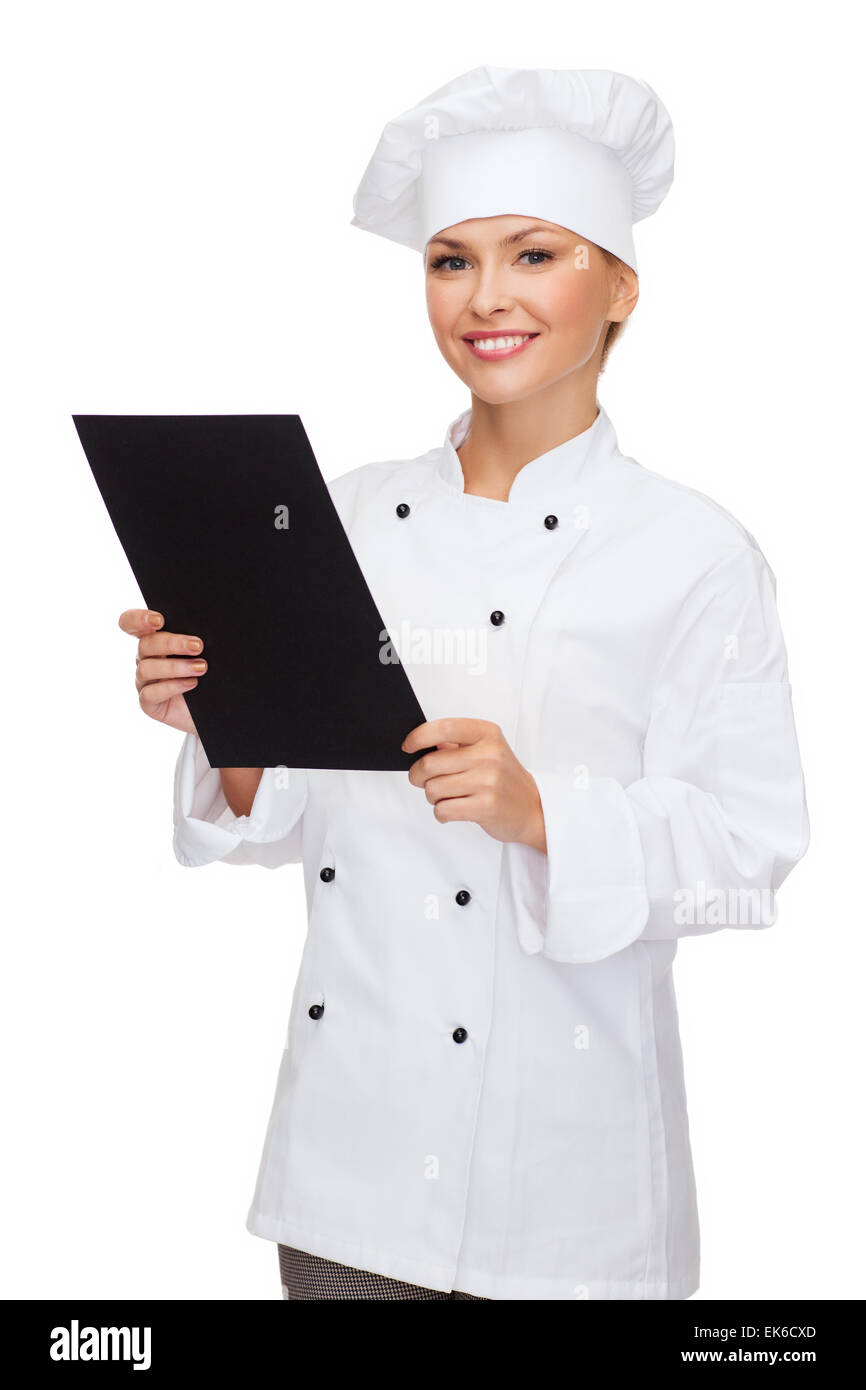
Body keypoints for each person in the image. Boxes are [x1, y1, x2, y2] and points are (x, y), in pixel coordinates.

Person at [119, 66, 810, 1300]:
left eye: (533, 253)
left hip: (568, 1200)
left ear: (619, 288)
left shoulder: (693, 551)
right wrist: (220, 715)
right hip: (347, 1180)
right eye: (448, 261)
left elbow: (745, 852)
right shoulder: (346, 515)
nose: (485, 297)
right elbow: (285, 817)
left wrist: (541, 810)